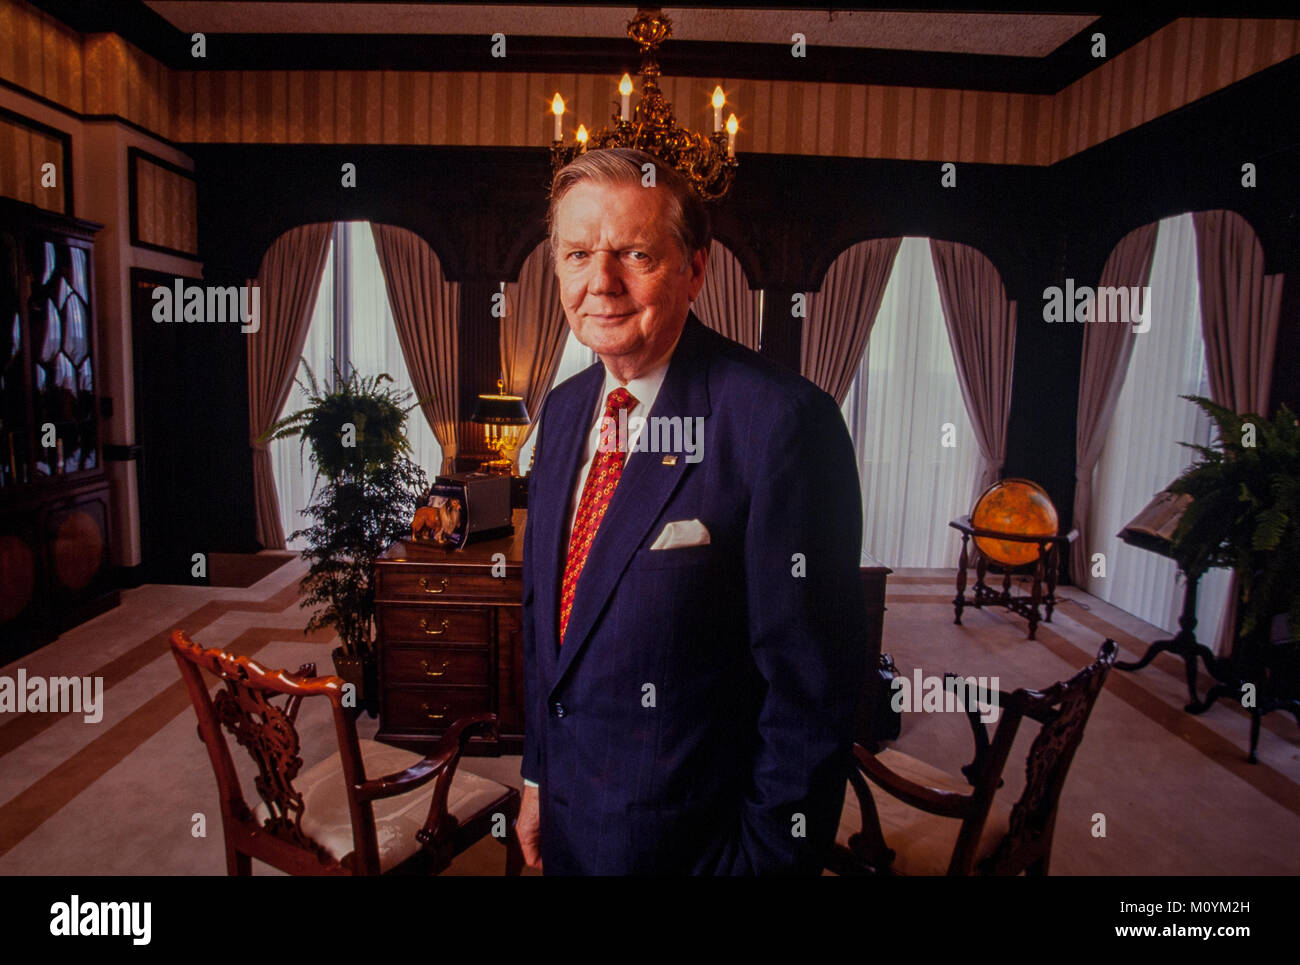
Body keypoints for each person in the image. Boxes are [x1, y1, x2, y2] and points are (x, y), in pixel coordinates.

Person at [517, 147, 867, 874]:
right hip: (570, 830)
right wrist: (536, 778)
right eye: (578, 254)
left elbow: (812, 695)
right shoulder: (560, 410)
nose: (601, 281)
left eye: (635, 253)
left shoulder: (782, 423)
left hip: (696, 849)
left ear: (695, 269)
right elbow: (545, 631)